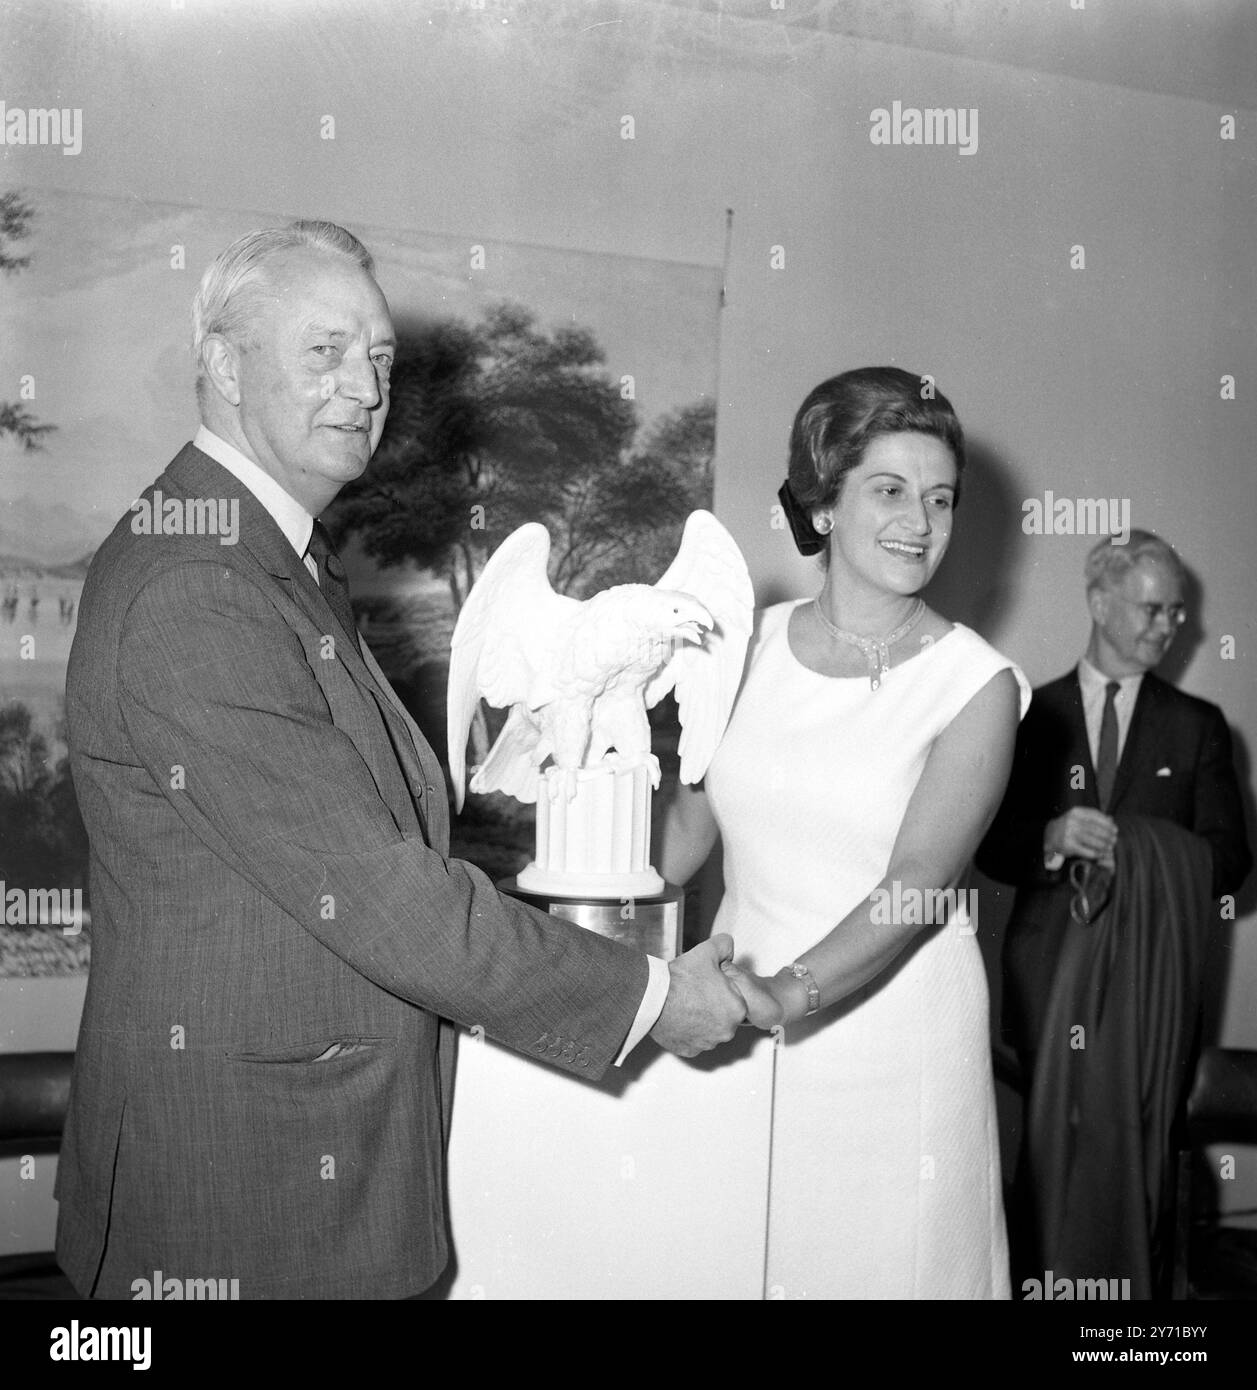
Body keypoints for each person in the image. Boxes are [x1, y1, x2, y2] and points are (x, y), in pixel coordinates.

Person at [56, 221, 746, 1301]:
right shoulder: (200, 582)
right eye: (324, 351)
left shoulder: (275, 560)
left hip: (303, 1175)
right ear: (227, 366)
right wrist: (652, 995)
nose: (363, 388)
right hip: (242, 1198)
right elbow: (378, 895)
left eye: (378, 359)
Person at [661, 367, 1029, 1299]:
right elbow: (674, 850)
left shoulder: (975, 685)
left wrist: (779, 998)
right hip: (736, 1029)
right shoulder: (738, 649)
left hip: (888, 1041)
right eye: (890, 490)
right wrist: (588, 749)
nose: (920, 520)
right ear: (822, 504)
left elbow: (912, 886)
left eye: (939, 499)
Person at [977, 531, 1251, 1297]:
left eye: (1177, 613)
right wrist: (1051, 837)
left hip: (1149, 987)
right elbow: (991, 847)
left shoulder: (1197, 726)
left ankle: (1129, 1327)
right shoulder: (1032, 714)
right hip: (1043, 980)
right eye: (1152, 609)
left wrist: (1141, 845)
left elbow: (1230, 861)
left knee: (1139, 1154)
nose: (1168, 627)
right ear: (1099, 603)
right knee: (1044, 1153)